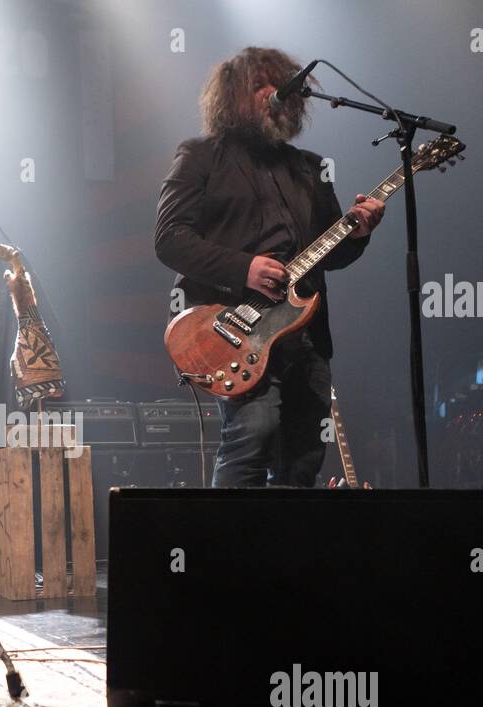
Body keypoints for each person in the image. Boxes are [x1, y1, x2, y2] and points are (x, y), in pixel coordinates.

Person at [154, 47, 385, 488]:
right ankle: (226, 554)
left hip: (305, 335)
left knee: (303, 457)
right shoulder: (201, 156)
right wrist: (244, 268)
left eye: (278, 84)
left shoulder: (310, 168)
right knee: (251, 435)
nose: (272, 92)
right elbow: (170, 239)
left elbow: (330, 255)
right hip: (232, 325)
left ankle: (283, 554)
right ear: (233, 96)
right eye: (259, 85)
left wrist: (357, 234)